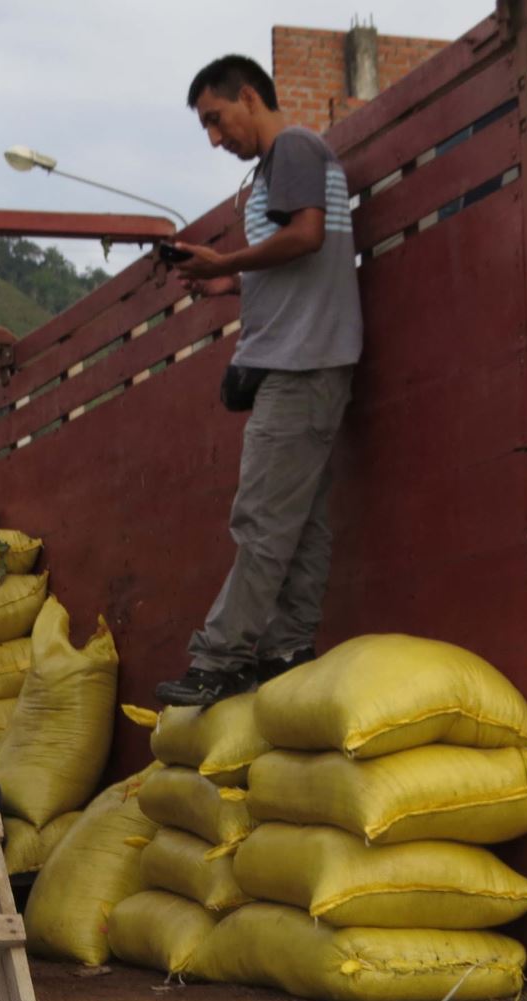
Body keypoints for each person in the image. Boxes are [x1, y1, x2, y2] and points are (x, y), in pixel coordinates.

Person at [153, 55, 363, 708]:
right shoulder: (280, 165)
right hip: (310, 359)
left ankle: (219, 659)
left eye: (216, 120)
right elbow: (302, 259)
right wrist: (229, 281)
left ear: (249, 96)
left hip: (302, 363)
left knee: (262, 518)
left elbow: (307, 235)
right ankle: (287, 649)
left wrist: (229, 258)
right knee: (300, 523)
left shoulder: (293, 147)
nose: (216, 138)